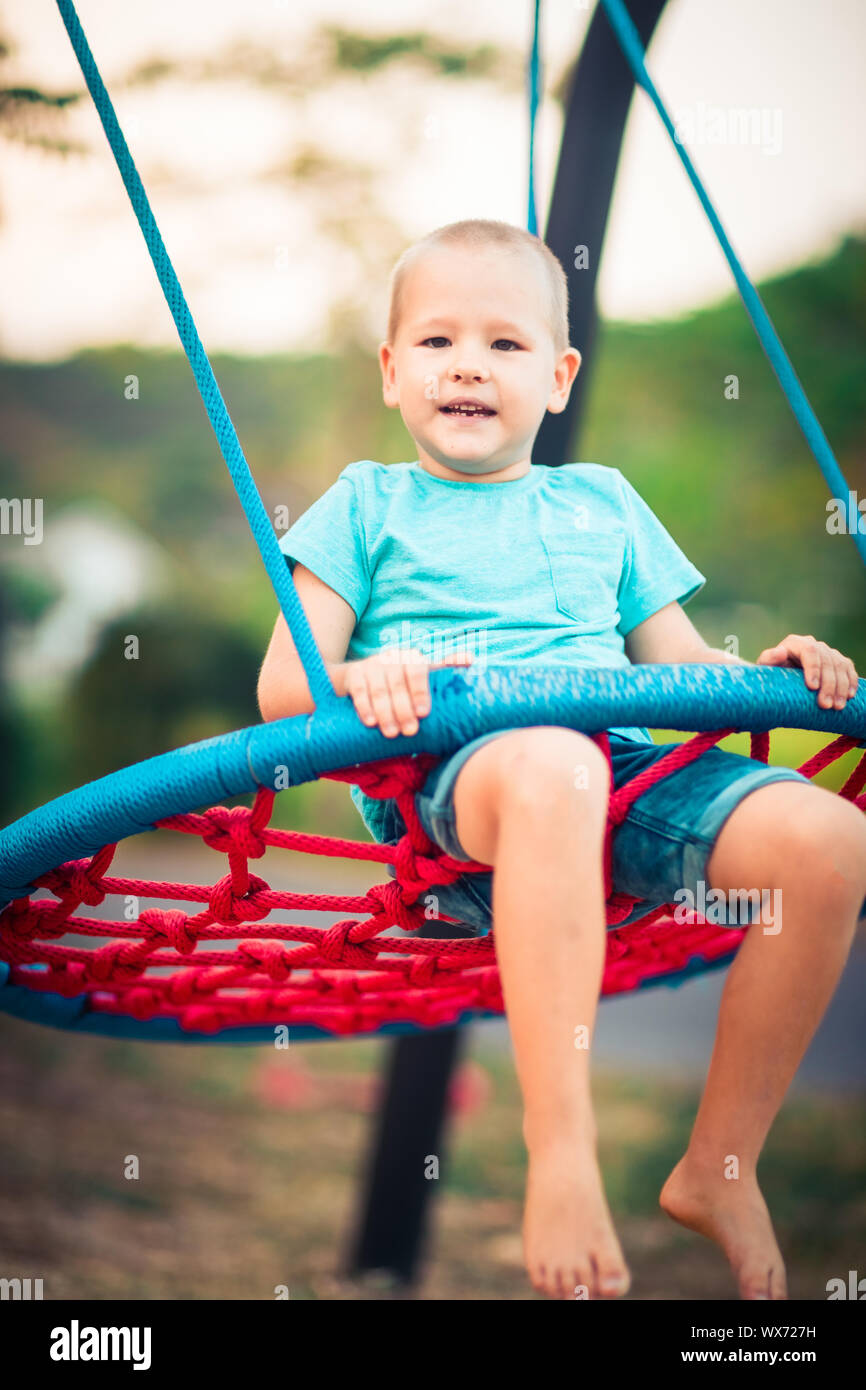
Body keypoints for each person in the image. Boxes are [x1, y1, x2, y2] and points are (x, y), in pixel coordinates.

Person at [257, 218, 866, 1301]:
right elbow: (284, 688)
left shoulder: (602, 503)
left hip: (620, 772)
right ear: (393, 371)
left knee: (826, 840)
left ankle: (719, 1164)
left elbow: (680, 674)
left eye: (503, 343)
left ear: (556, 373)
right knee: (549, 763)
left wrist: (770, 666)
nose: (468, 366)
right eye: (437, 340)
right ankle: (562, 1148)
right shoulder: (367, 501)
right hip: (455, 789)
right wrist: (361, 676)